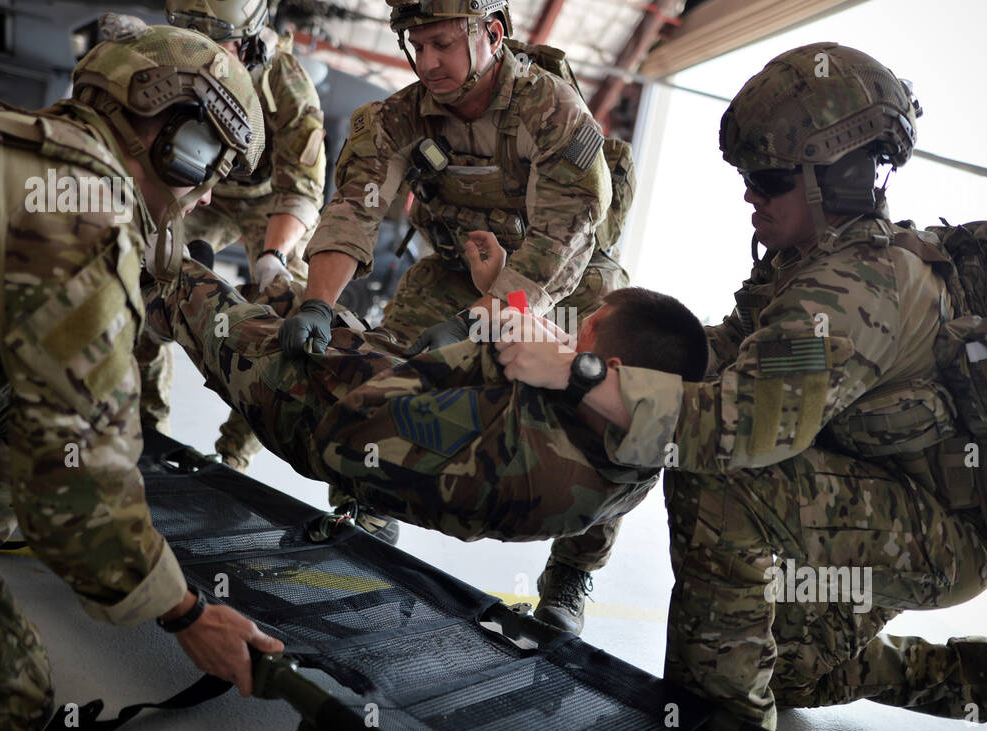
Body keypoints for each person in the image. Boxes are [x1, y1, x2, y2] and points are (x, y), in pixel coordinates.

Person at [492, 43, 987, 731]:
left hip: (945, 529)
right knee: (788, 667)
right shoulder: (806, 264)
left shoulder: (857, 289)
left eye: (769, 177)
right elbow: (718, 353)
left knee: (721, 479)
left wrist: (579, 377)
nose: (750, 194)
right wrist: (582, 347)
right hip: (878, 498)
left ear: (838, 176)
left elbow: (739, 425)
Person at [0, 17, 283, 731]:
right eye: (211, 165)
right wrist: (188, 612)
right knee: (7, 695)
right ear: (178, 138)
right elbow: (79, 481)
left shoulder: (7, 136)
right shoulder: (83, 214)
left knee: (0, 455)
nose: (205, 193)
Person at [279, 0, 629, 628]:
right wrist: (318, 300)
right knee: (380, 366)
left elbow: (563, 237)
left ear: (493, 32)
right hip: (451, 266)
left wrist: (487, 320)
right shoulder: (398, 118)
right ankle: (369, 504)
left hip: (568, 274)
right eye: (417, 44)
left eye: (443, 42)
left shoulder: (552, 112)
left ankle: (569, 577)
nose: (427, 60)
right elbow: (354, 204)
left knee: (605, 413)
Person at [143, 231, 707, 546]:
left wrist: (474, 346)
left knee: (188, 294)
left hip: (311, 409)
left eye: (578, 336)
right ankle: (259, 286)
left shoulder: (531, 468)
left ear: (607, 364)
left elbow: (348, 435)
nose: (562, 343)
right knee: (309, 318)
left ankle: (163, 282)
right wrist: (498, 298)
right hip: (370, 373)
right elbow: (559, 360)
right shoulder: (628, 440)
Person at [143, 0, 329, 472]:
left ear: (249, 47)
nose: (198, 58)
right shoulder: (171, 66)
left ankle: (233, 459)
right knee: (138, 276)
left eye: (215, 46)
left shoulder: (289, 92)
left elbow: (302, 191)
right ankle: (146, 432)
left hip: (266, 202)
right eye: (188, 40)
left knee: (287, 312)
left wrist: (271, 258)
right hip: (201, 187)